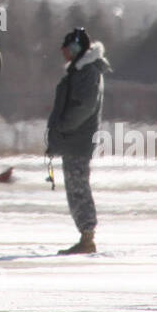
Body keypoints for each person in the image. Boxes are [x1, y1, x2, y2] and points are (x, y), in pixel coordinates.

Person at [45, 27, 111, 255]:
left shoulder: (87, 72)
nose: (63, 53)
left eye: (67, 49)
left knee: (78, 187)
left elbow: (83, 107)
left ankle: (87, 237)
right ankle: (85, 235)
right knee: (75, 188)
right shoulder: (80, 71)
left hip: (78, 140)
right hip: (74, 140)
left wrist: (63, 127)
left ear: (75, 49)